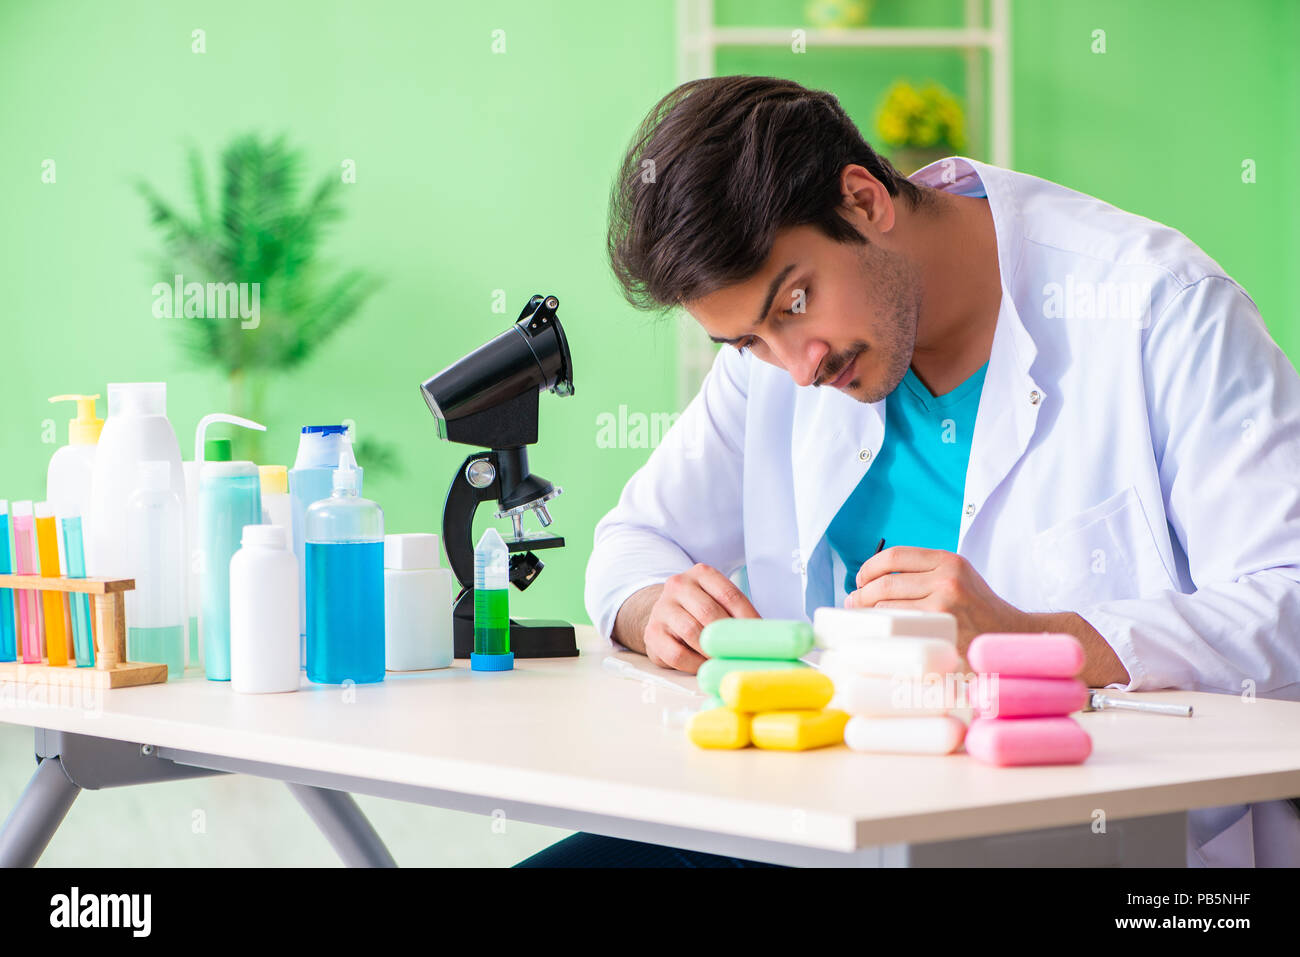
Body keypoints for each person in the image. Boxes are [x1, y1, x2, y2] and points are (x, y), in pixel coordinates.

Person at [518, 75, 1300, 868]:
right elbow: (632, 543)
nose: (797, 367)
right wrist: (660, 605)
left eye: (795, 303)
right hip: (827, 828)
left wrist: (1037, 639)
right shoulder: (779, 362)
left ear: (864, 200)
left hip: (1094, 849)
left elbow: (1290, 592)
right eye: (747, 341)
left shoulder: (1158, 307)